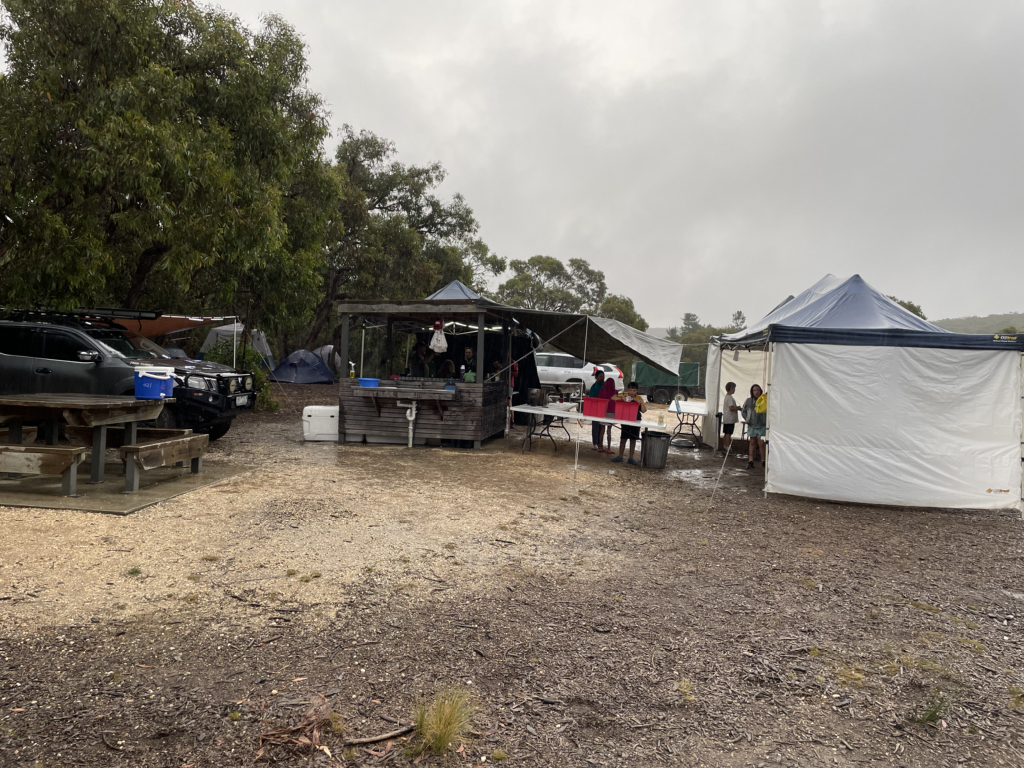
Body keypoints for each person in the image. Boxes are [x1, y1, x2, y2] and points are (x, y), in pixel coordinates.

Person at [611, 381, 647, 465]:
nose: (632, 392)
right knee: (623, 438)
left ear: (637, 391)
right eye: (630, 390)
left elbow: (644, 410)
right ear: (628, 390)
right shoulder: (624, 396)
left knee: (633, 440)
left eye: (634, 391)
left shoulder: (639, 398)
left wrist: (640, 403)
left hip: (636, 420)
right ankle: (620, 456)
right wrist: (621, 399)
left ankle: (631, 458)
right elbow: (613, 398)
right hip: (625, 420)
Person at [742, 383, 767, 469]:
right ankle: (751, 460)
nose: (756, 392)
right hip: (752, 425)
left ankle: (764, 461)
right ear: (752, 392)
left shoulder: (764, 400)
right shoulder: (748, 401)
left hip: (762, 425)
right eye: (754, 390)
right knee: (752, 442)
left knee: (761, 443)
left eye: (758, 390)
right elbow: (743, 411)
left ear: (761, 391)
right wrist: (748, 419)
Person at [719, 381, 740, 456]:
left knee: (726, 433)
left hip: (727, 418)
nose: (734, 390)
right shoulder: (730, 397)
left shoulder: (727, 396)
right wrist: (738, 408)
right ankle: (728, 448)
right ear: (731, 389)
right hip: (730, 418)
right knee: (728, 433)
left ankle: (725, 446)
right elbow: (731, 408)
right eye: (734, 388)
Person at [588, 370, 607, 452]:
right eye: (600, 376)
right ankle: (595, 443)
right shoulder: (594, 386)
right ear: (596, 377)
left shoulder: (605, 385)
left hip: (603, 408)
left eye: (603, 376)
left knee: (602, 426)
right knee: (595, 426)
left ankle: (600, 442)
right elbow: (591, 397)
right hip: (596, 408)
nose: (602, 378)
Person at [600, 376, 617, 452]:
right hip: (612, 413)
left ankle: (600, 446)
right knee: (609, 430)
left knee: (602, 430)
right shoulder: (615, 392)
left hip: (603, 412)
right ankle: (609, 447)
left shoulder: (602, 391)